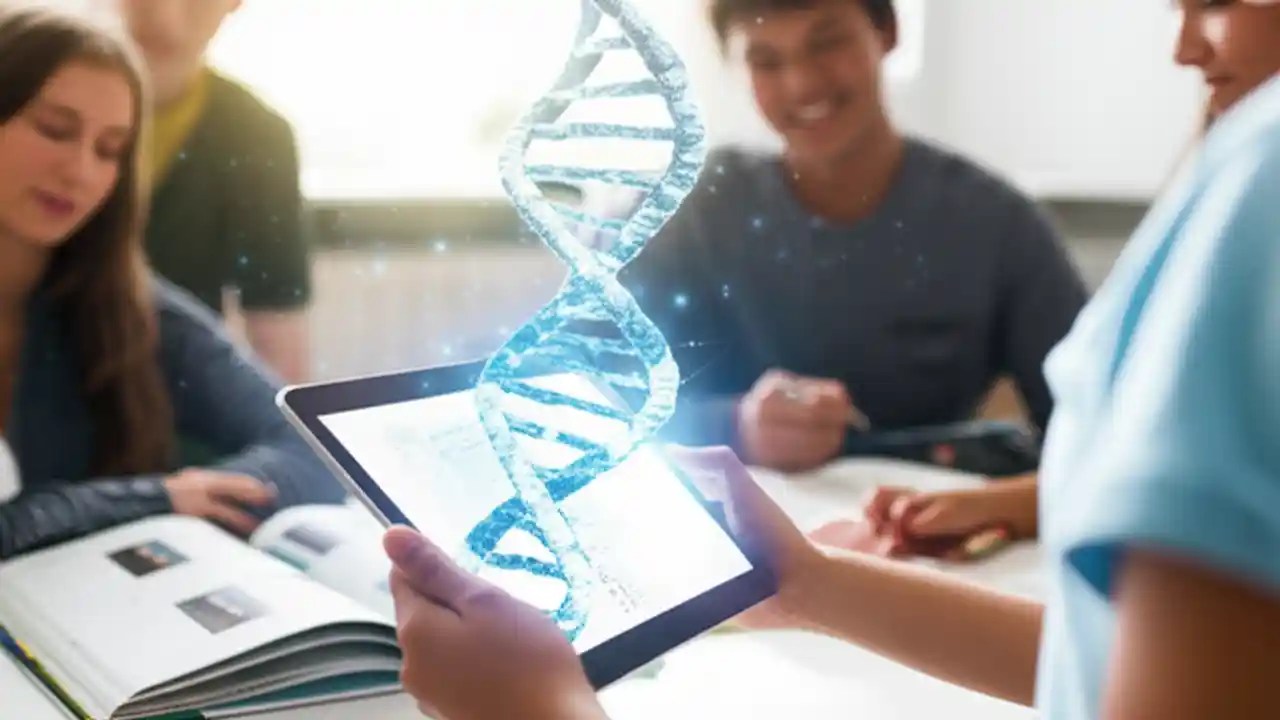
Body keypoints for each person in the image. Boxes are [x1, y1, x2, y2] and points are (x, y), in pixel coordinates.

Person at [382, 1, 1280, 718]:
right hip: (817, 555)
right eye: (767, 61)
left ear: (886, 33)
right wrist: (801, 563)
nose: (1181, 51)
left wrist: (534, 707)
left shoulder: (1050, 213)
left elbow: (1104, 474)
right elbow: (581, 395)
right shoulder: (707, 207)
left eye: (1214, 0)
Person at [617, 0, 1087, 473]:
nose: (801, 83)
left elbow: (1096, 424)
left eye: (827, 43)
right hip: (733, 525)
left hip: (924, 528)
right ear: (735, 70)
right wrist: (733, 426)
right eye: (766, 61)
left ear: (887, 32)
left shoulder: (999, 226)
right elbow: (591, 391)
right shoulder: (691, 212)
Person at [0, 5, 345, 561]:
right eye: (54, 130)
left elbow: (314, 450)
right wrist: (156, 498)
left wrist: (187, 497)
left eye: (110, 150)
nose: (81, 172)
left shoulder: (129, 303)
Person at [117, 0, 312, 383]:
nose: (165, 18)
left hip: (178, 400)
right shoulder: (24, 93)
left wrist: (293, 435)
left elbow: (276, 329)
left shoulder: (257, 136)